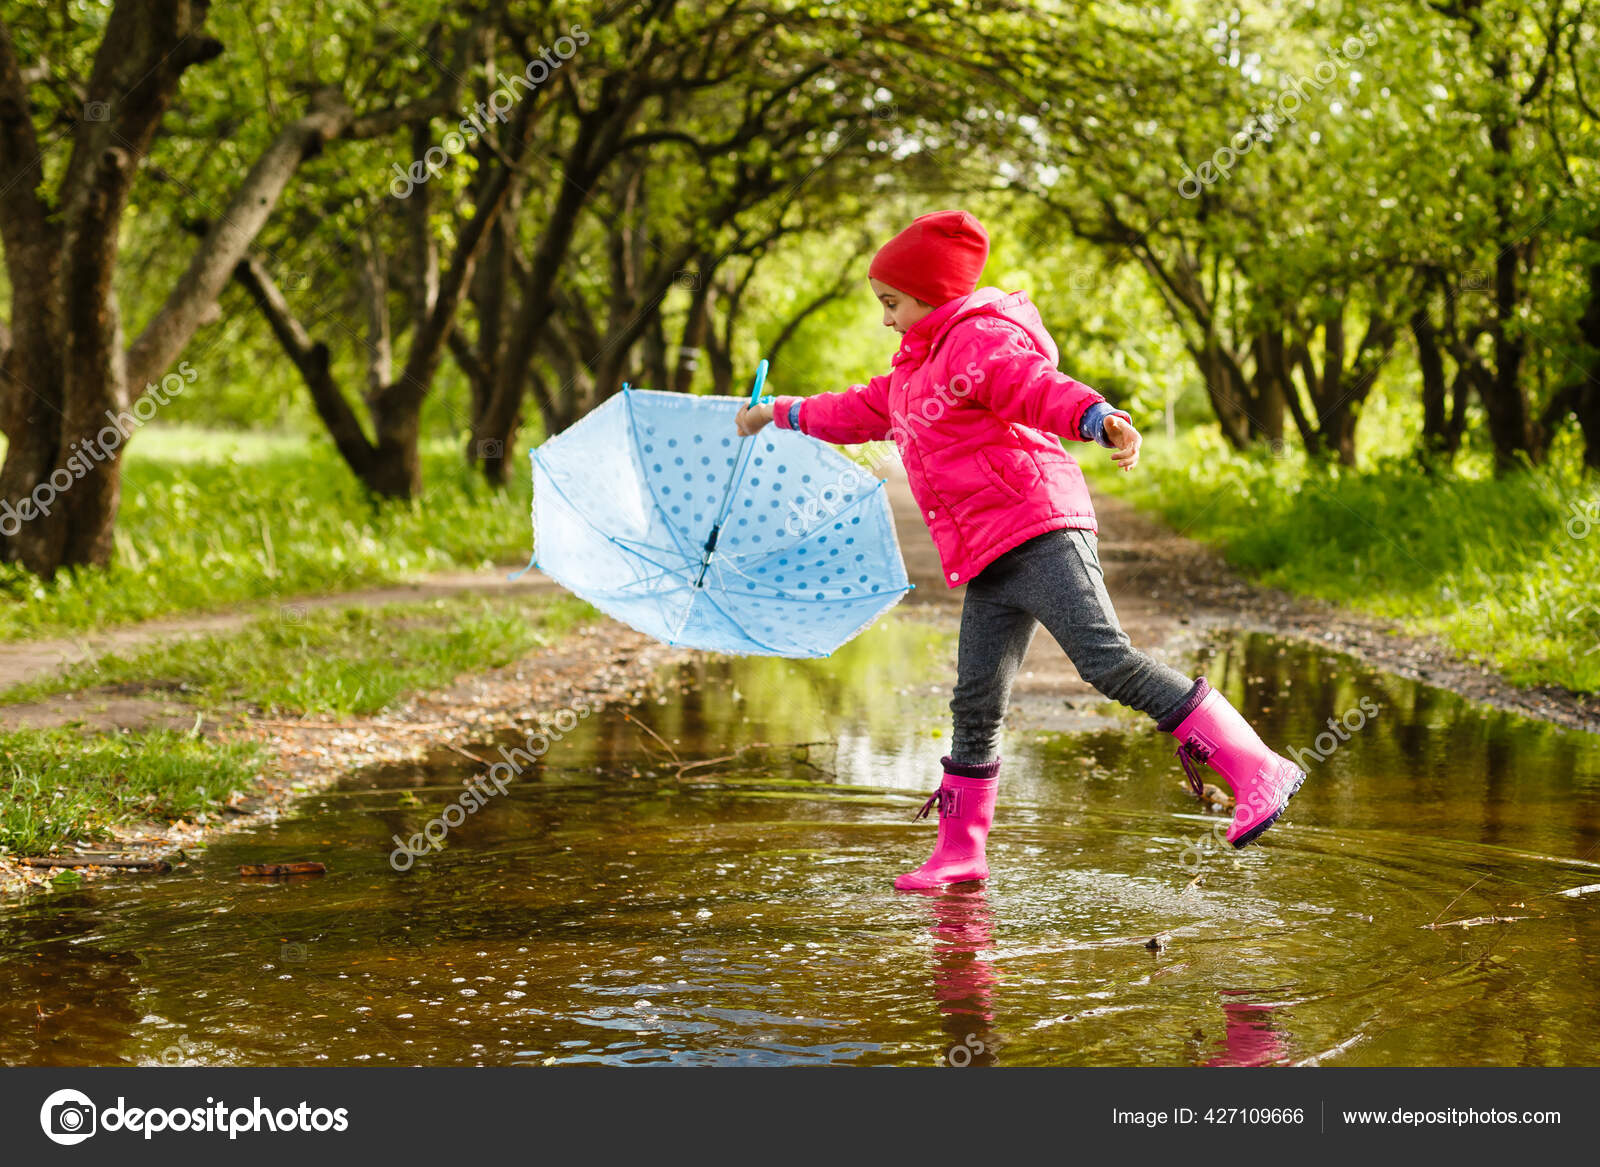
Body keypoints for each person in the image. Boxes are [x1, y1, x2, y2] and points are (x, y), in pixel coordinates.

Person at [736, 210, 1305, 890]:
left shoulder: (977, 342)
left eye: (892, 302)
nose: (885, 318)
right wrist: (779, 412)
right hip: (987, 556)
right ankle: (959, 850)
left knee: (1106, 660)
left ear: (930, 294)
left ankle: (1257, 766)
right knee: (975, 701)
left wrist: (1096, 416)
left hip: (1039, 529)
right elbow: (853, 411)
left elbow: (1036, 387)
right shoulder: (914, 371)